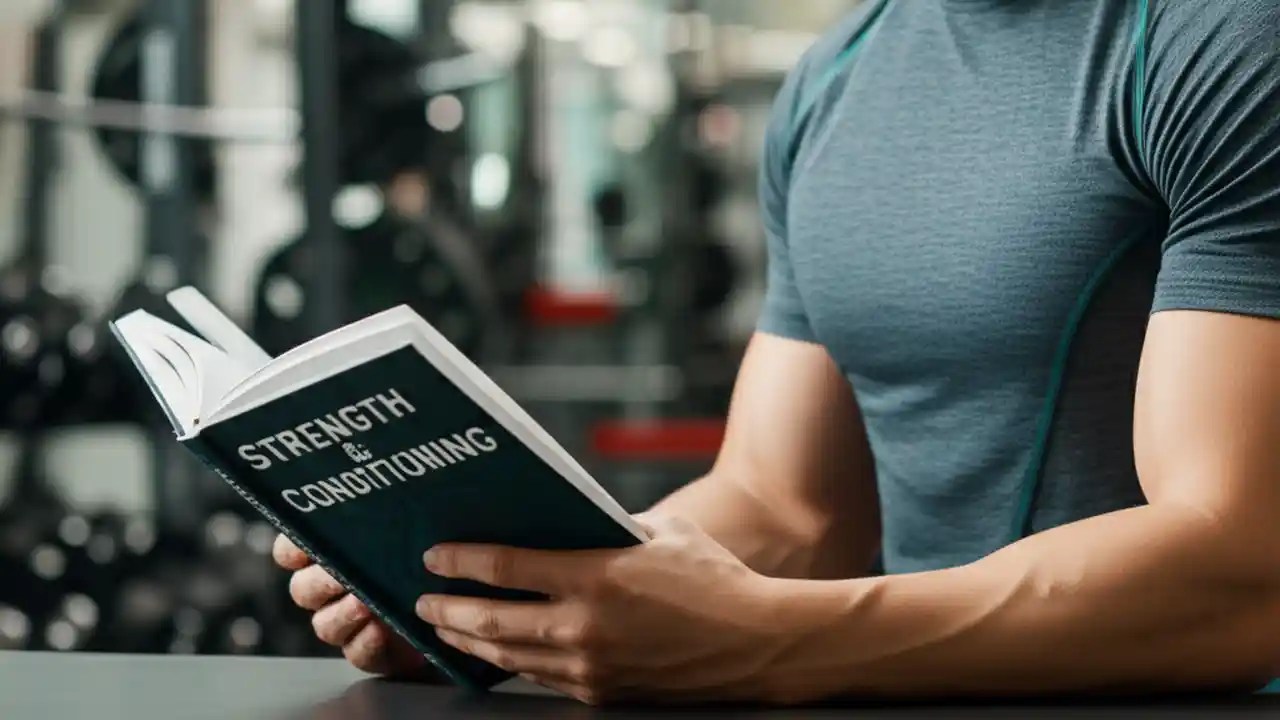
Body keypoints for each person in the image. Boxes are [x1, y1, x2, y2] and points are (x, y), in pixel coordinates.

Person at [273, 0, 1280, 705]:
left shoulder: (1225, 40)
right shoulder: (836, 76)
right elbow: (784, 507)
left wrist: (774, 641)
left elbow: (1240, 568)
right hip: (884, 692)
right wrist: (501, 601)